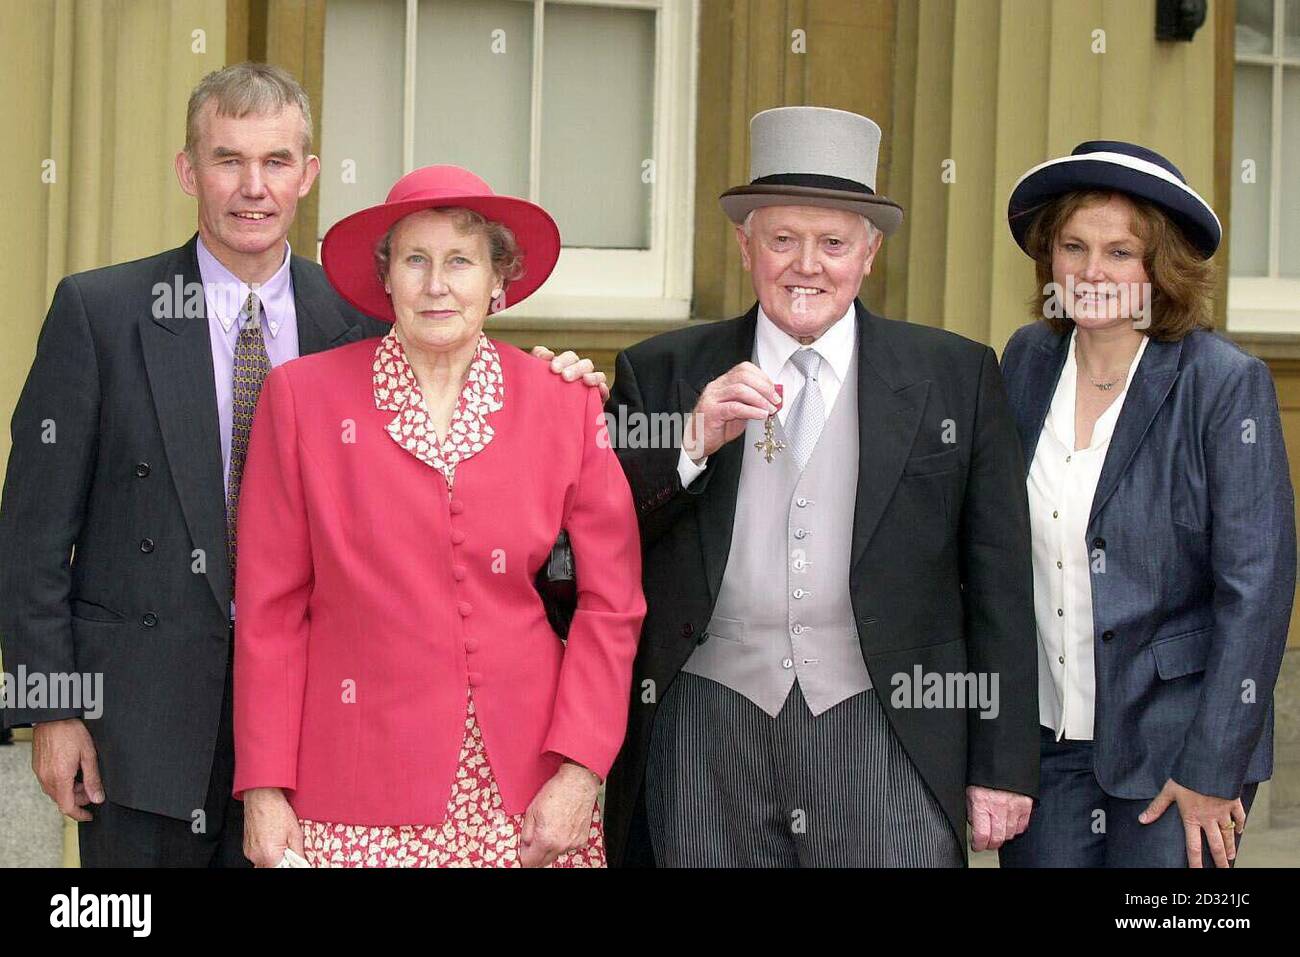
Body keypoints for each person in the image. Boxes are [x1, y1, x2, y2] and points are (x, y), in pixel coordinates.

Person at [0, 62, 604, 868]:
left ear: (308, 175)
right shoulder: (101, 313)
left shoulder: (363, 319)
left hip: (319, 739)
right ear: (189, 170)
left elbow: (466, 396)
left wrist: (563, 378)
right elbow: (32, 533)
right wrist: (52, 708)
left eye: (276, 162)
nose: (253, 187)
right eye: (228, 160)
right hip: (141, 728)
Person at [599, 106, 1039, 867]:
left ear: (868, 254)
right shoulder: (662, 371)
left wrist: (1001, 766)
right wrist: (687, 447)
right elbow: (596, 549)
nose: (808, 265)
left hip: (886, 728)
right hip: (706, 728)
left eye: (833, 243)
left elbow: (999, 579)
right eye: (782, 240)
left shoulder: (956, 375)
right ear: (746, 246)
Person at [234, 165, 646, 868]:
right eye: (415, 259)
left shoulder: (563, 401)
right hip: (353, 787)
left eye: (460, 261)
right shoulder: (303, 398)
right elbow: (270, 609)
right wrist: (265, 788)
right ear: (385, 278)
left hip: (529, 795)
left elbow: (613, 604)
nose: (436, 284)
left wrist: (581, 767)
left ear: (498, 281)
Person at [997, 140, 1296, 868]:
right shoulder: (1026, 361)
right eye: (1074, 245)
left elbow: (1255, 587)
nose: (1093, 272)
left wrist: (1212, 766)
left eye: (1120, 252)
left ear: (1160, 266)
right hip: (1047, 741)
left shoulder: (1223, 384)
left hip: (1178, 750)